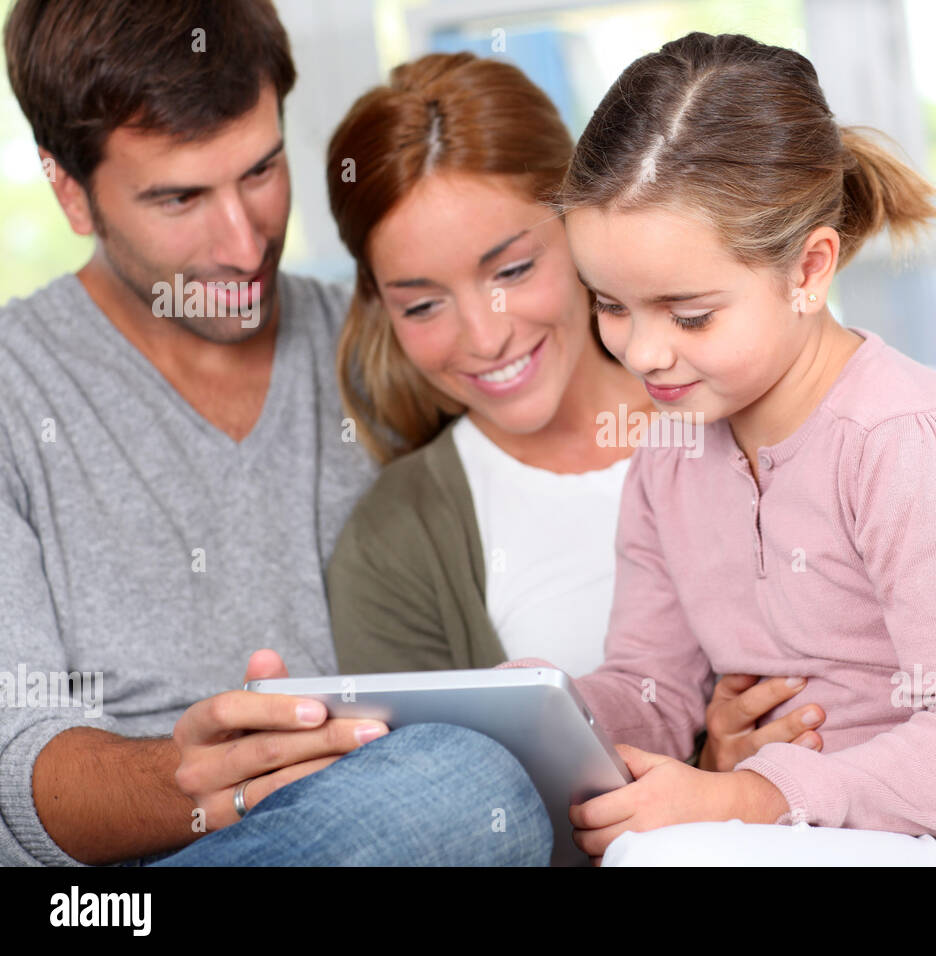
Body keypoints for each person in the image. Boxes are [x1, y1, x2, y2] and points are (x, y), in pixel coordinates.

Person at [322, 50, 936, 864]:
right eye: (612, 305)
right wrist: (546, 705)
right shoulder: (668, 457)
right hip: (838, 833)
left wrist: (751, 795)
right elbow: (655, 689)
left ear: (810, 270)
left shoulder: (909, 441)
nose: (643, 353)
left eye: (690, 313)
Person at [0, 0, 550, 866]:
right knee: (465, 784)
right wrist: (197, 783)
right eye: (179, 196)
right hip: (124, 884)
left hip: (403, 825)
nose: (244, 242)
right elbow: (16, 759)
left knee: (469, 786)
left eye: (259, 171)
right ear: (69, 190)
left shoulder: (390, 341)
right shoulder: (12, 391)